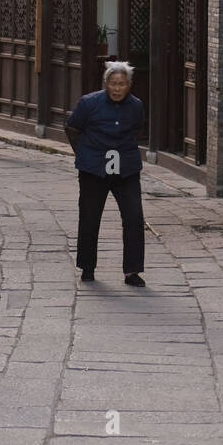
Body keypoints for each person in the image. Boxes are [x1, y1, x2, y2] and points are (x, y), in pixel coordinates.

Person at [65, 61, 146, 287]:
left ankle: (132, 271)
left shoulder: (136, 106)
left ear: (129, 85)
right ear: (106, 84)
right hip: (94, 169)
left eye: (122, 84)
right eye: (113, 84)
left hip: (127, 169)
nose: (117, 88)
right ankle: (87, 267)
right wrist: (85, 154)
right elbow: (72, 128)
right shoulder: (89, 103)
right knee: (90, 217)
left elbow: (137, 129)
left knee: (134, 218)